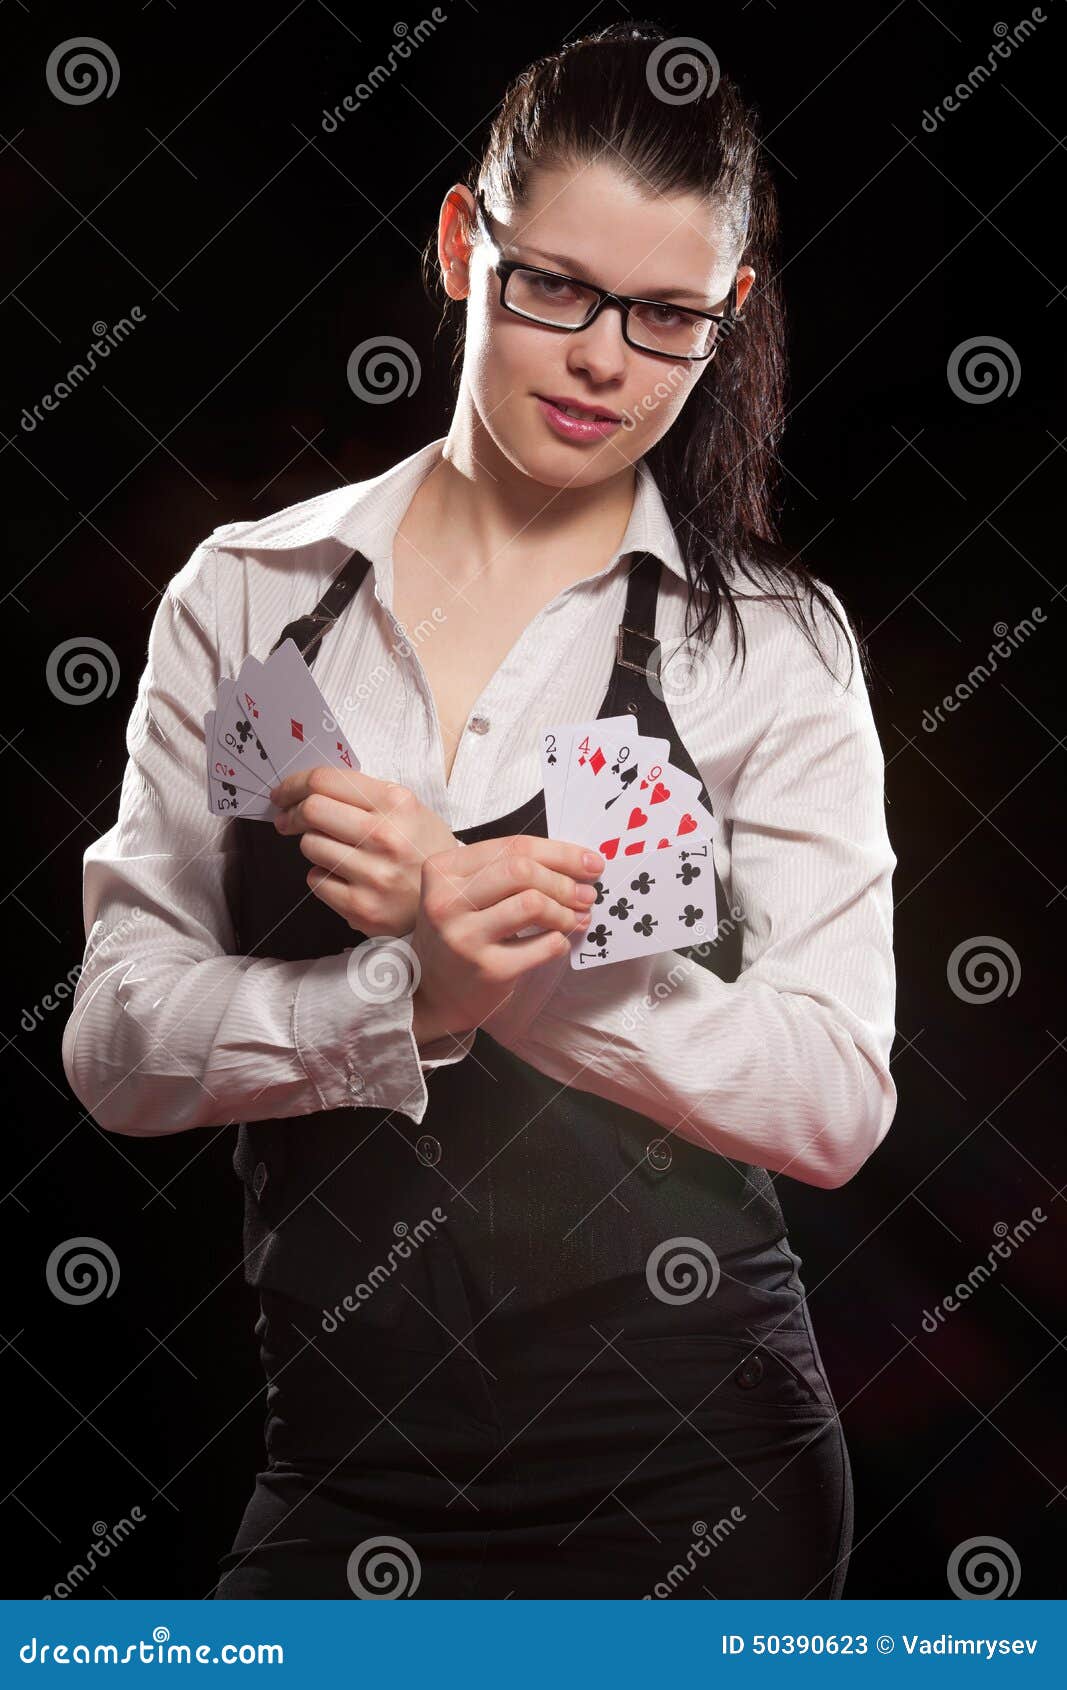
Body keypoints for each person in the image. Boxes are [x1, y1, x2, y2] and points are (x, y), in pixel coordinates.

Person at [61, 22, 897, 1599]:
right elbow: (119, 1038)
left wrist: (510, 972)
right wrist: (408, 992)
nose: (602, 361)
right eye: (555, 288)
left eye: (667, 318)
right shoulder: (257, 604)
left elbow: (834, 1098)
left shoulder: (763, 646)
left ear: (726, 315)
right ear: (463, 243)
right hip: (340, 1459)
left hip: (694, 1465)